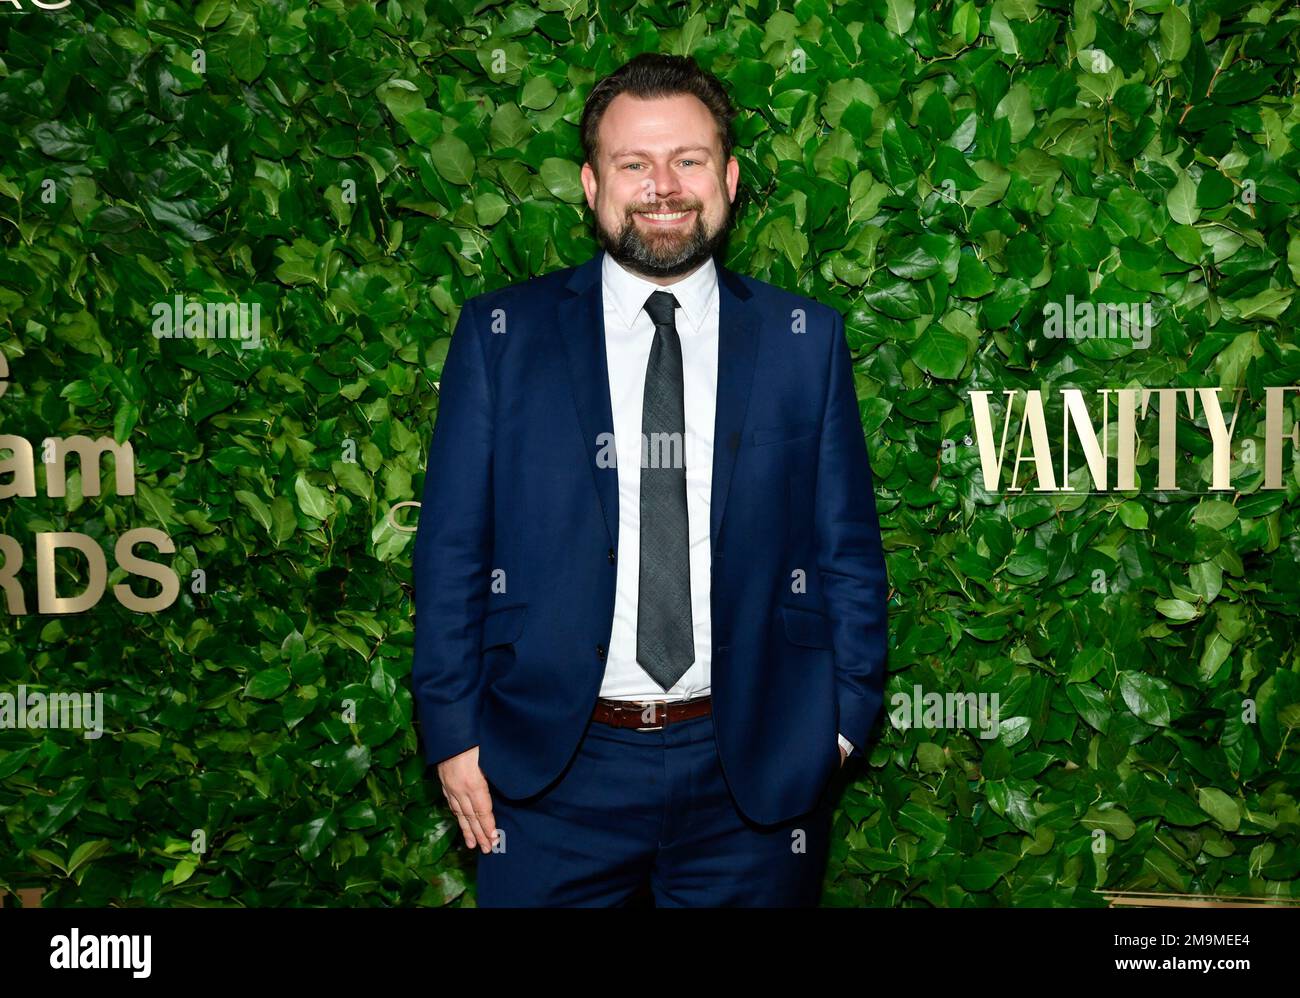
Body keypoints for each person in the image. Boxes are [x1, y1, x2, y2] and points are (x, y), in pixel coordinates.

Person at [411, 52, 889, 907]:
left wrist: (843, 726)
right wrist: (452, 736)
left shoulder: (801, 341)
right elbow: (451, 552)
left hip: (752, 773)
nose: (662, 186)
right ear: (592, 187)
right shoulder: (500, 336)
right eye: (635, 163)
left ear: (730, 179)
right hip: (547, 774)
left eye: (689, 160)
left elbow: (846, 547)